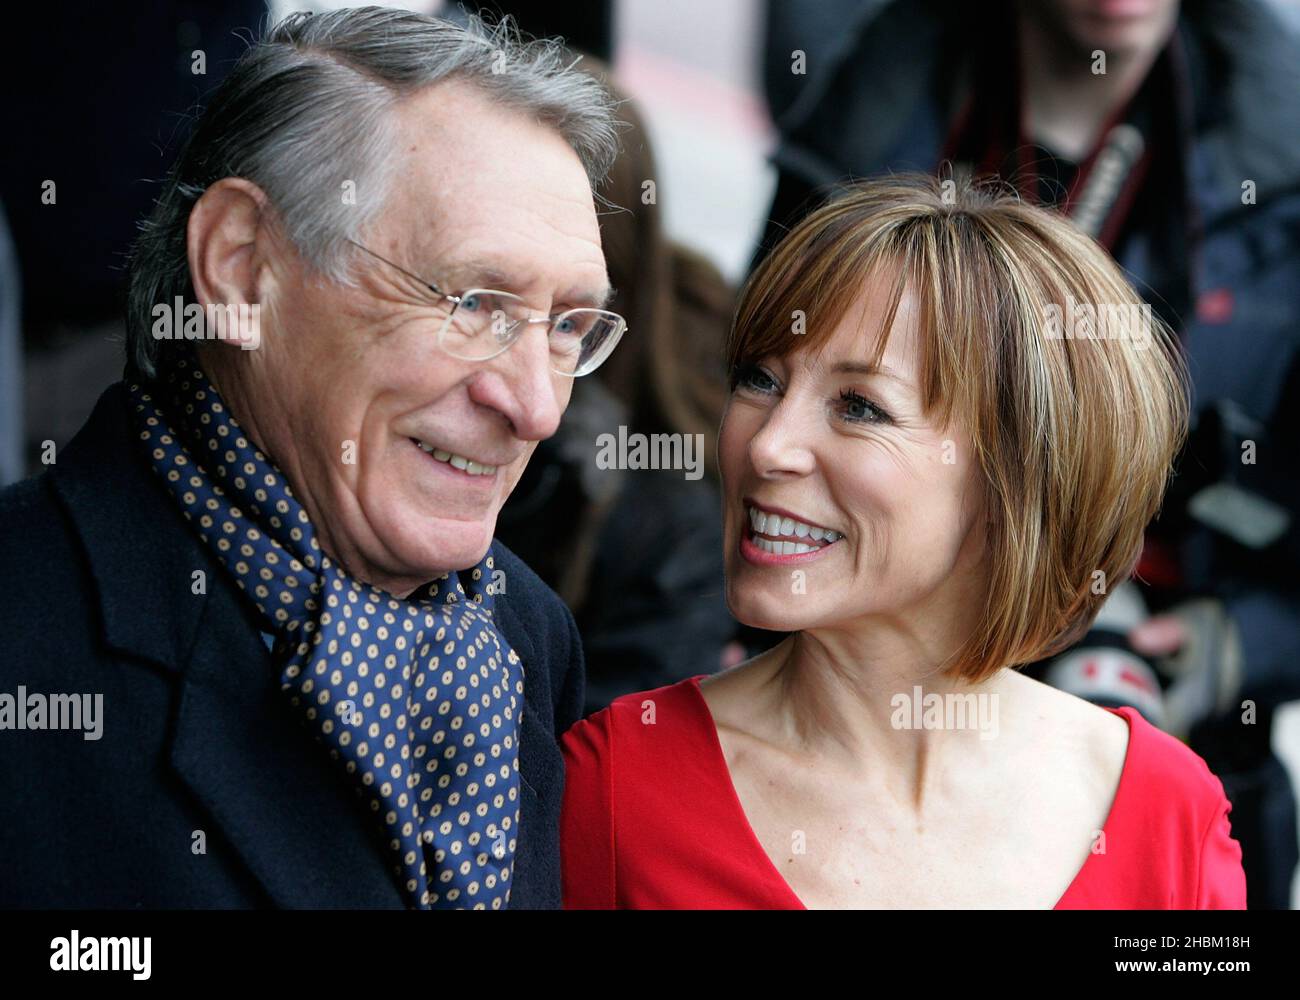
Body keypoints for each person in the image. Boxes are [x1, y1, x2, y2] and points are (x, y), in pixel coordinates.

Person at [0, 8, 624, 910]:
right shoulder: (26, 634)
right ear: (243, 267)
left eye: (568, 326)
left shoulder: (528, 631)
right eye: (474, 304)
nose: (534, 405)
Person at [560, 174, 1247, 908]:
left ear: (1017, 478)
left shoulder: (1168, 815)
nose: (768, 447)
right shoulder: (613, 789)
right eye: (759, 379)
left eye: (860, 406)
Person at [754, 0, 1300, 907]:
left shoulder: (1279, 157)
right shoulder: (874, 97)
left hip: (1185, 726)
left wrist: (1244, 644)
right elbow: (750, 387)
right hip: (861, 699)